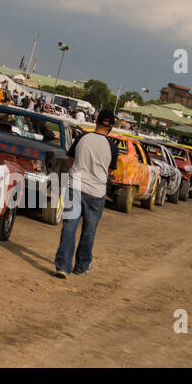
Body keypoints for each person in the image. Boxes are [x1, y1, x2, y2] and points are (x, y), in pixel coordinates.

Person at [54, 108, 117, 278]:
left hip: (76, 186)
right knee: (89, 231)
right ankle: (81, 266)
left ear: (96, 121)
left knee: (69, 227)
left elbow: (69, 160)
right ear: (111, 126)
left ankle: (63, 266)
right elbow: (111, 171)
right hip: (96, 192)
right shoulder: (112, 147)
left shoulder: (82, 138)